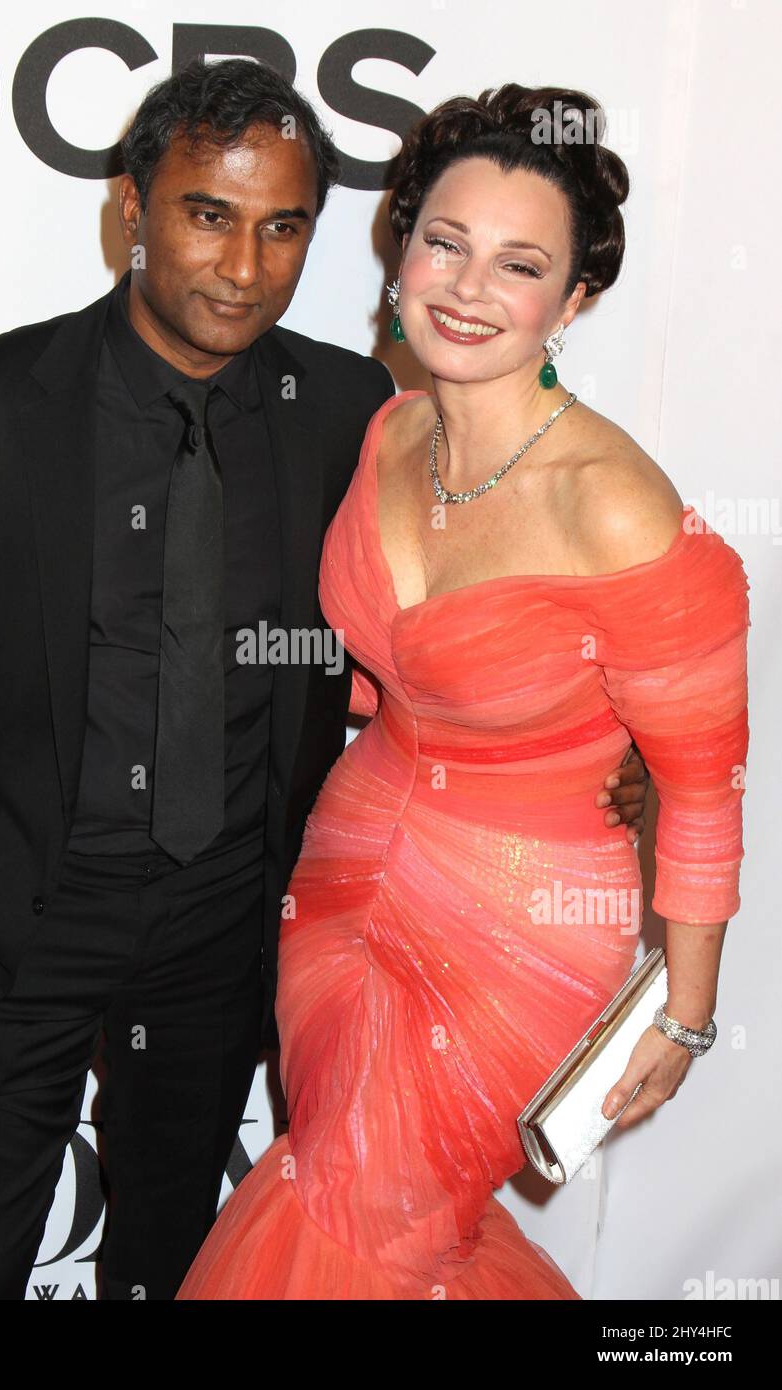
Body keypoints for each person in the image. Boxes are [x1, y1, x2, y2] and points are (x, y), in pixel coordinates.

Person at [0, 63, 647, 1302]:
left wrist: (593, 753)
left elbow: (429, 632)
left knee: (174, 1260)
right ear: (132, 208)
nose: (244, 267)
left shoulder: (349, 407)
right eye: (209, 215)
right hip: (2, 917)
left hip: (228, 928)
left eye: (283, 227)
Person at [175, 84, 749, 1300]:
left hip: (520, 924)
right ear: (399, 249)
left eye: (519, 263)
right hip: (341, 878)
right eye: (444, 242)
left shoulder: (613, 500)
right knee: (374, 1213)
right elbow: (394, 683)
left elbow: (702, 788)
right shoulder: (385, 431)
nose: (467, 287)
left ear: (574, 300)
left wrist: (685, 1017)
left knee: (358, 1212)